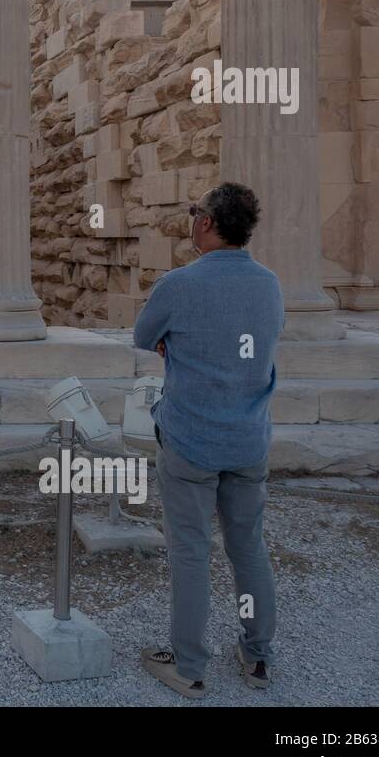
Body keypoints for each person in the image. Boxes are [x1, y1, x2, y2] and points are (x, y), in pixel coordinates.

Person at [132, 182, 283, 699]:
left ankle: (191, 667)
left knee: (191, 553)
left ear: (208, 223)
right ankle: (257, 656)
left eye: (196, 212)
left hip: (191, 438)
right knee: (249, 548)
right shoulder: (271, 285)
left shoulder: (179, 284)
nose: (192, 220)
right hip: (248, 438)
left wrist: (173, 342)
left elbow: (141, 334)